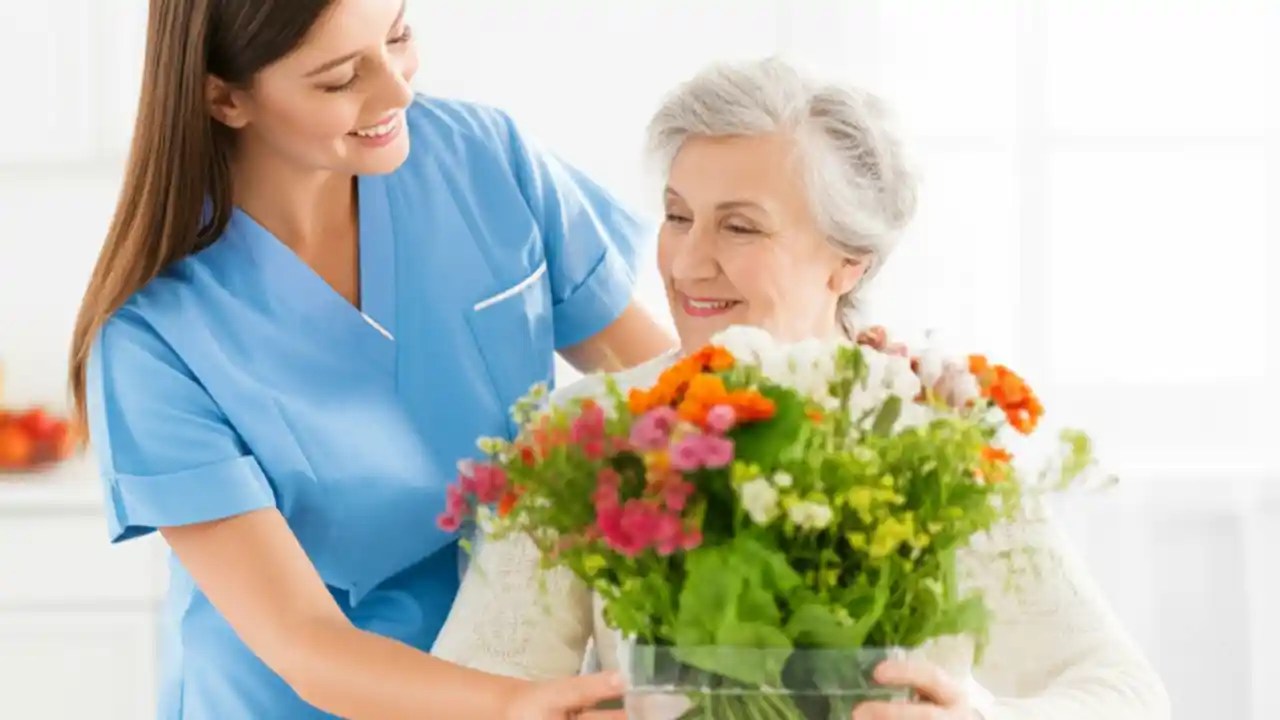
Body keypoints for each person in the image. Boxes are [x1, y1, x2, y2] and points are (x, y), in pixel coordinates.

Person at [431, 57, 1172, 720]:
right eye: (678, 216)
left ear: (849, 262)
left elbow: (1125, 696)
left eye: (740, 228)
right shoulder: (592, 425)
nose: (687, 263)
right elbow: (478, 681)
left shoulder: (933, 428)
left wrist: (975, 717)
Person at [68, 0, 673, 717]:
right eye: (339, 79)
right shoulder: (156, 341)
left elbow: (677, 404)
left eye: (398, 37)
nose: (398, 92)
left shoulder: (485, 160)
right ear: (224, 97)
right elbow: (304, 640)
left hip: (519, 666)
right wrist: (519, 706)